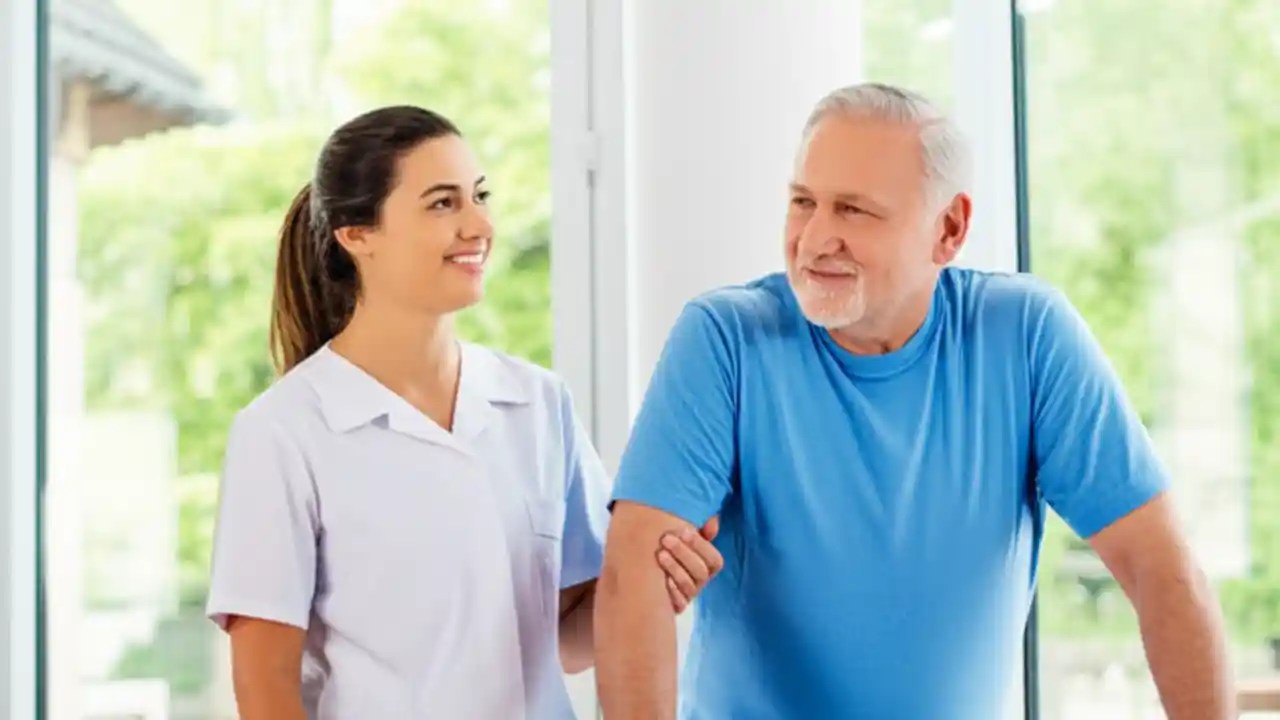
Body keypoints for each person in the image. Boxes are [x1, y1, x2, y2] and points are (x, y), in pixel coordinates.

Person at [594, 83, 1235, 719]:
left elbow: (1159, 569)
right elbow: (635, 576)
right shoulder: (726, 338)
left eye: (853, 211)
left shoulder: (1026, 335)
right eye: (802, 202)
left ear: (949, 229)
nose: (815, 239)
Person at [204, 105, 724, 720]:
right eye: (442, 203)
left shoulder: (536, 403)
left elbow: (563, 637)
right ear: (356, 233)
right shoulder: (285, 432)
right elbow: (265, 691)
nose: (479, 225)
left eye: (479, 196)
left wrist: (653, 587)